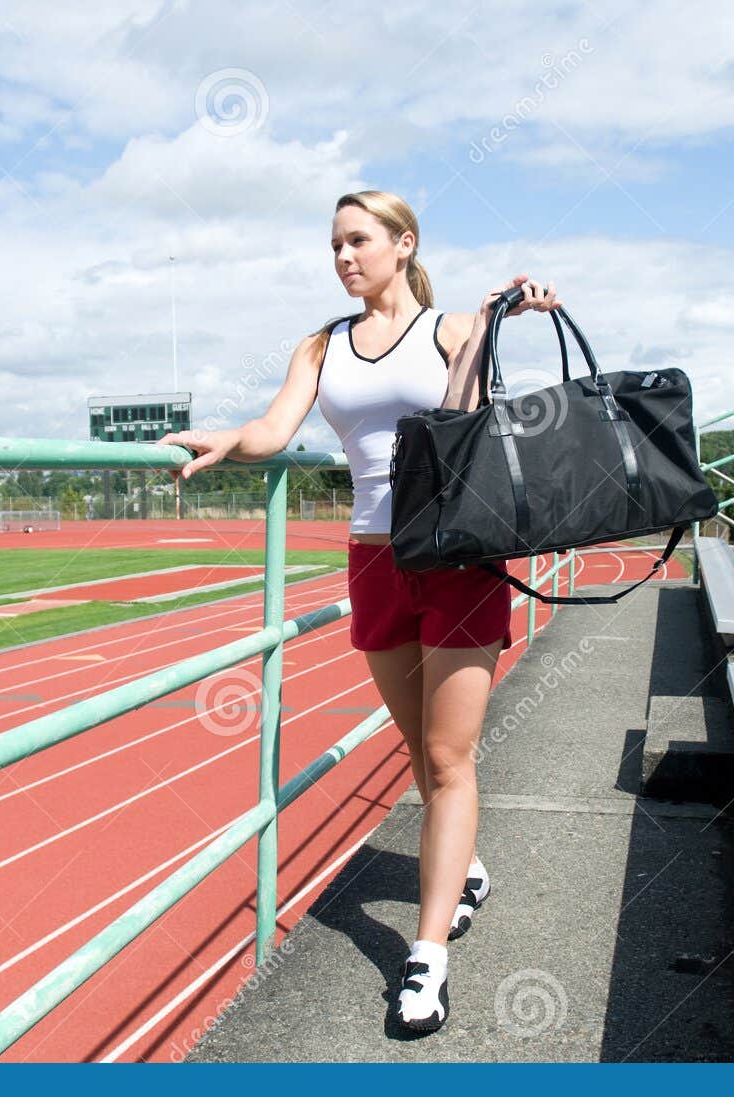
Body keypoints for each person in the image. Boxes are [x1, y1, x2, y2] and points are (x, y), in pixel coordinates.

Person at [159, 189, 559, 1034]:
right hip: (375, 558)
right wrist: (230, 439)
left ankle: (425, 959)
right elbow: (276, 426)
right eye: (334, 244)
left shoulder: (453, 329)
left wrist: (492, 321)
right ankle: (466, 869)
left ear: (402, 243)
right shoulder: (321, 344)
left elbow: (463, 418)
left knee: (450, 758)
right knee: (416, 742)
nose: (343, 256)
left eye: (358, 240)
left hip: (455, 554)